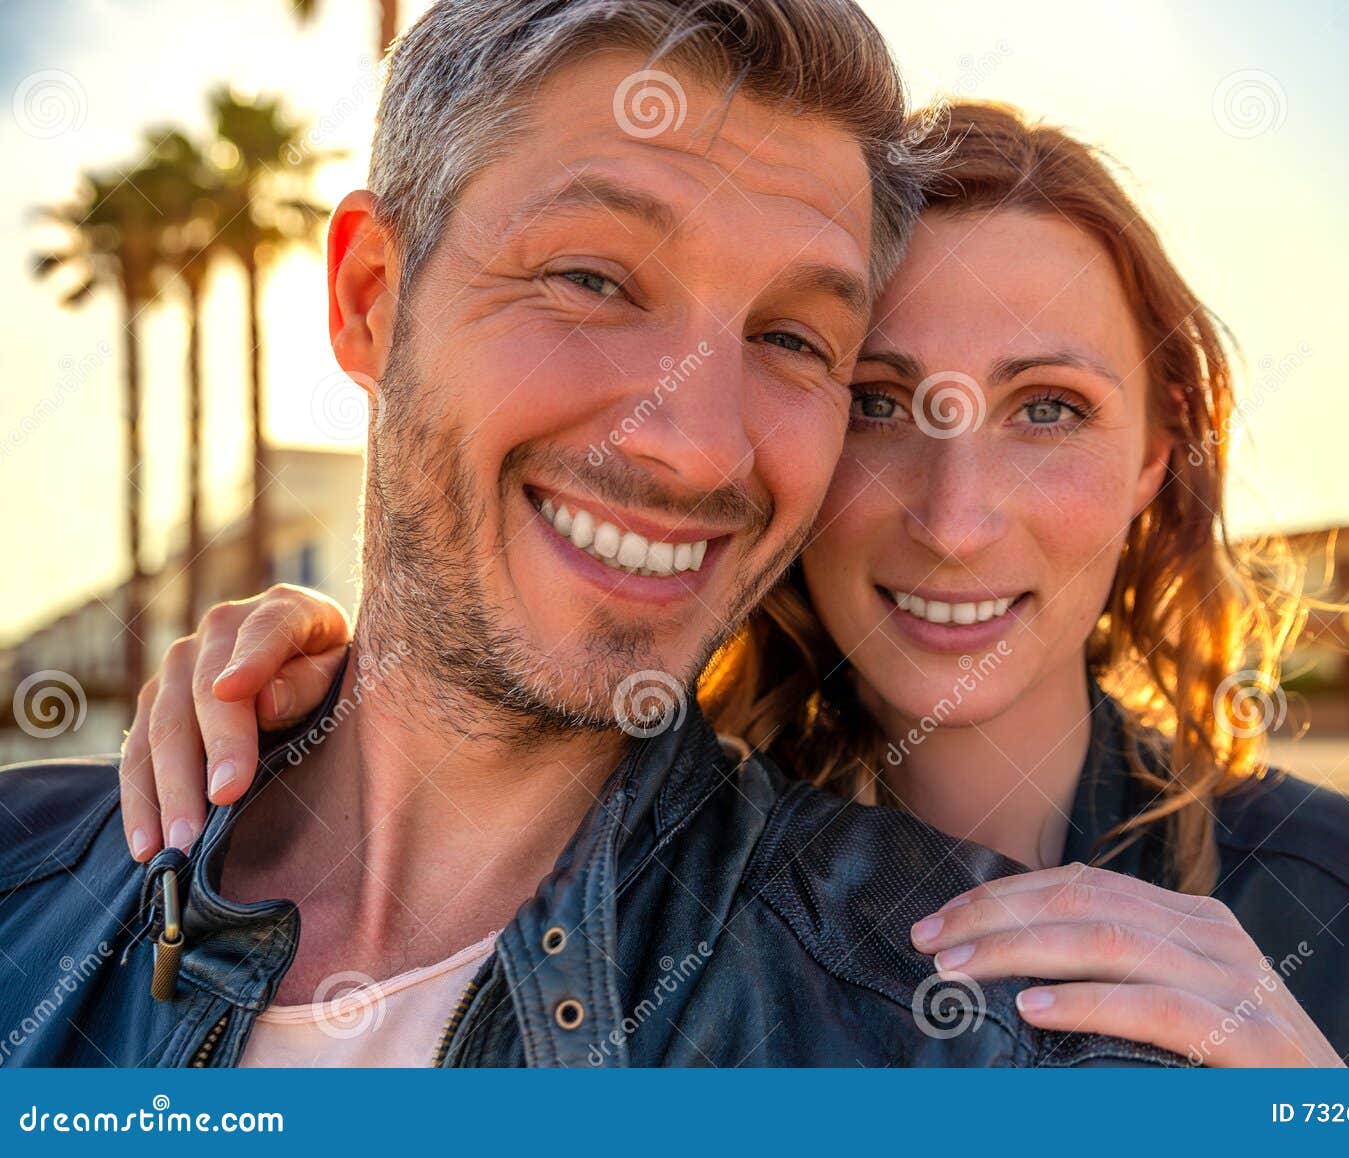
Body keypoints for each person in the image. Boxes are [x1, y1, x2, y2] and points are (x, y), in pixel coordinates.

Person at [121, 103, 1349, 1067]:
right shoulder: (620, 866)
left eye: (1048, 411)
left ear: (1157, 458)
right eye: (878, 401)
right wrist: (333, 709)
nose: (957, 523)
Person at [0, 0, 1185, 1070]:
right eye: (592, 280)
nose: (700, 447)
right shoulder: (30, 882)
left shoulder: (1003, 1043)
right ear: (370, 297)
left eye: (790, 340)